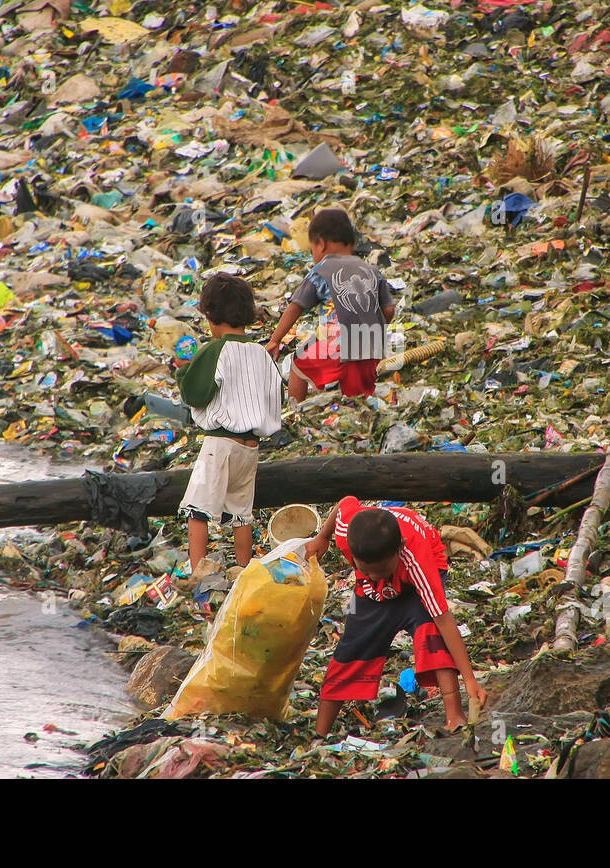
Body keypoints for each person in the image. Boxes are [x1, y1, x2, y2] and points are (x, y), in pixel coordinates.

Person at [305, 496, 487, 735]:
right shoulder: (346, 533)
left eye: (381, 571)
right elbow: (346, 502)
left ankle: (455, 717)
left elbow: (443, 619)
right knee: (350, 650)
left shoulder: (416, 560)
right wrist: (322, 538)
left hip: (415, 583)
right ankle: (320, 734)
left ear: (399, 549)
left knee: (431, 636)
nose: (374, 576)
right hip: (372, 595)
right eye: (364, 569)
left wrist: (470, 679)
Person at [176, 273, 284, 571]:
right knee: (240, 512)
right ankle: (244, 569)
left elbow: (196, 394)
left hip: (220, 445)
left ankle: (198, 568)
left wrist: (183, 371)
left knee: (198, 509)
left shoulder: (215, 350)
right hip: (250, 447)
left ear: (210, 315)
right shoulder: (260, 353)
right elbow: (277, 396)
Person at [265, 208, 395, 402]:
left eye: (312, 249)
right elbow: (389, 309)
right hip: (371, 347)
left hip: (338, 346)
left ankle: (295, 414)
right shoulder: (371, 270)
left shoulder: (322, 270)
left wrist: (275, 340)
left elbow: (296, 306)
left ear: (322, 244)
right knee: (356, 399)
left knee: (298, 366)